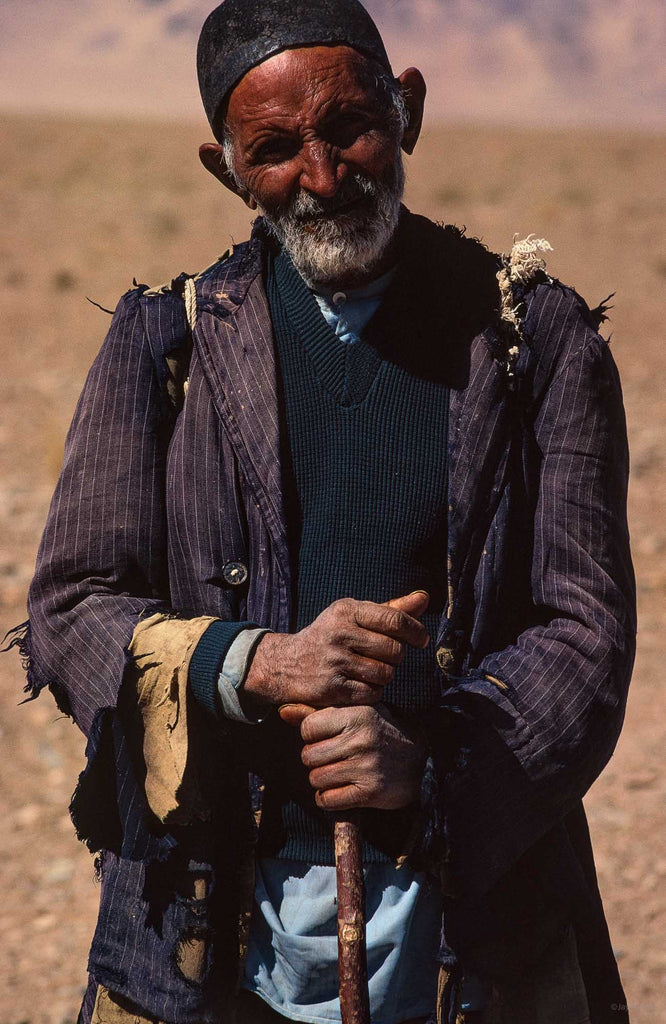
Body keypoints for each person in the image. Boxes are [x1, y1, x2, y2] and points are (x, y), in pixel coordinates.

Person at [13, 1, 635, 1022]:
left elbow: (585, 634)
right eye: (272, 149)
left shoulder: (538, 344)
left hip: (476, 917)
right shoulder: (162, 343)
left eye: (350, 126)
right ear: (223, 169)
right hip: (208, 921)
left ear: (410, 110)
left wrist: (427, 771)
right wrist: (251, 662)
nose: (322, 175)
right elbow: (71, 608)